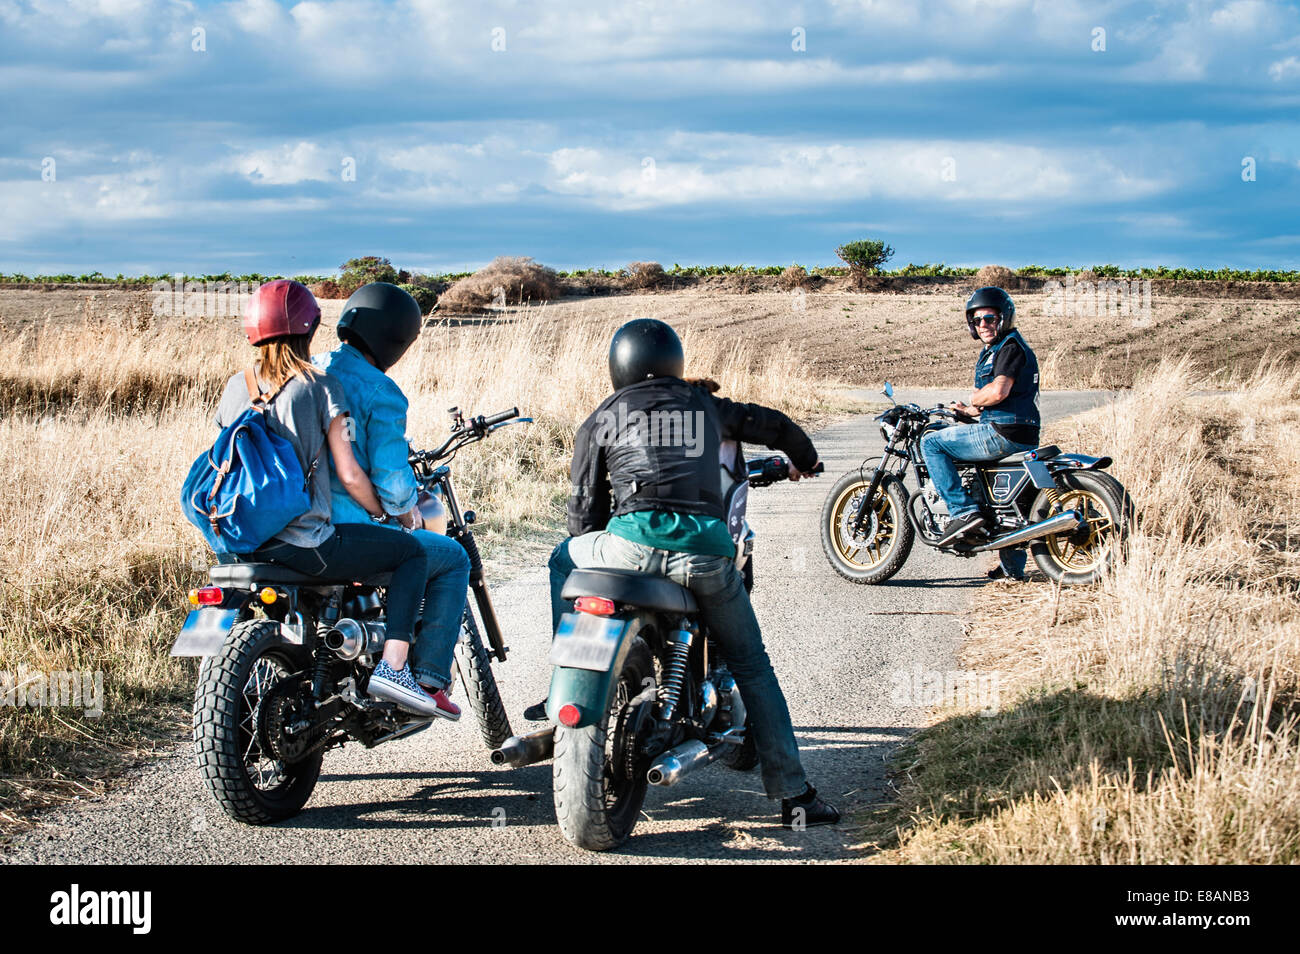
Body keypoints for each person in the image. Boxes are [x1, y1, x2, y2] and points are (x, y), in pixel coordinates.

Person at [528, 317, 840, 830]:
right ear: (675, 361)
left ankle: (567, 669)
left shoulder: (603, 415)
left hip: (626, 550)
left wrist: (600, 551)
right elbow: (776, 425)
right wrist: (805, 460)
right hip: (706, 554)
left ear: (617, 367)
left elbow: (584, 509)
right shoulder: (707, 407)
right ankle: (796, 796)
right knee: (752, 665)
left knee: (565, 557)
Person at [215, 279, 447, 718]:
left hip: (237, 537)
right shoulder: (321, 386)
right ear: (312, 325)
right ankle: (395, 669)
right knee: (413, 555)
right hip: (304, 538)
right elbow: (349, 472)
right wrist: (389, 513)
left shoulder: (235, 387)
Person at [313, 282, 469, 718]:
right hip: (348, 526)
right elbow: (389, 476)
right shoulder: (380, 391)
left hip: (297, 523)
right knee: (452, 558)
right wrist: (405, 512)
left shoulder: (309, 369)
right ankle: (424, 680)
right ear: (397, 338)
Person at [919, 286, 1041, 579]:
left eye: (989, 318)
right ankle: (1012, 569)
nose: (983, 325)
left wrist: (975, 401)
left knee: (932, 443)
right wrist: (966, 411)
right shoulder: (996, 350)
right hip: (1014, 428)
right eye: (977, 321)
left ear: (1004, 317)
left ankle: (962, 513)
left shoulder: (1009, 347)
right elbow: (995, 401)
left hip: (1003, 431)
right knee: (1005, 502)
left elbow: (998, 392)